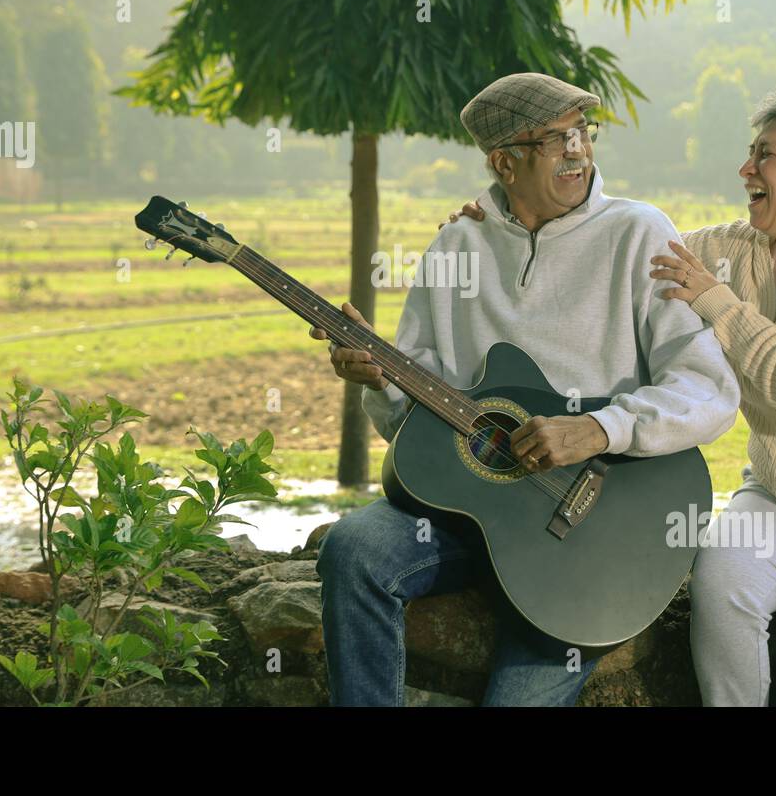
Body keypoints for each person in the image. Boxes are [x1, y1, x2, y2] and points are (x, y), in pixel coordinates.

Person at [447, 77, 776, 706]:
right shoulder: (735, 251)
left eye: (765, 156)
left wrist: (719, 305)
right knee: (720, 591)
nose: (745, 167)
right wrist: (500, 218)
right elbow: (611, 248)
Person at [311, 72, 741, 706]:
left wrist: (600, 428)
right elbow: (415, 427)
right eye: (554, 139)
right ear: (503, 162)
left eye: (582, 132)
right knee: (352, 550)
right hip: (470, 519)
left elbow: (708, 388)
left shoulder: (639, 233)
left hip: (596, 534)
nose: (577, 150)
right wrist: (382, 382)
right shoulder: (457, 243)